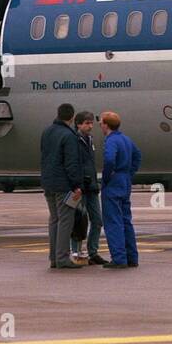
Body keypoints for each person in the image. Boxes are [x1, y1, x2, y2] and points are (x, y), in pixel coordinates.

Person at [40, 103, 84, 270]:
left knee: (54, 219)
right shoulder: (69, 136)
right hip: (64, 184)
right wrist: (77, 185)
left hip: (48, 182)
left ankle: (54, 258)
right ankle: (62, 258)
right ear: (72, 117)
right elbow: (71, 163)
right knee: (66, 219)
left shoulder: (47, 132)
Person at [100, 111, 142, 269]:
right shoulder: (126, 139)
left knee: (113, 221)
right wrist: (129, 173)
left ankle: (119, 258)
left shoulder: (111, 141)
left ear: (106, 124)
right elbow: (137, 156)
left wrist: (106, 177)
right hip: (124, 180)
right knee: (126, 219)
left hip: (114, 181)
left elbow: (109, 159)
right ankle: (132, 257)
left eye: (101, 123)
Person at [69, 111, 108, 266]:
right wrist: (76, 184)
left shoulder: (90, 139)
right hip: (79, 187)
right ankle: (75, 251)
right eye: (86, 123)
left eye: (91, 123)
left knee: (97, 220)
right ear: (78, 124)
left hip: (91, 186)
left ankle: (93, 252)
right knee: (78, 220)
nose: (90, 126)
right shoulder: (73, 140)